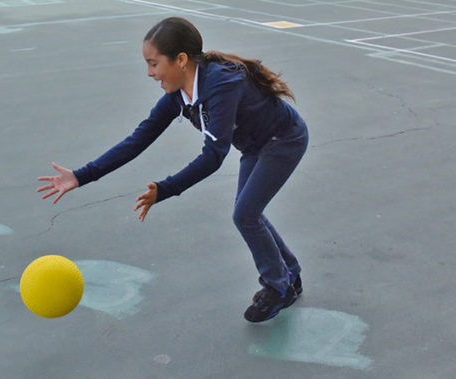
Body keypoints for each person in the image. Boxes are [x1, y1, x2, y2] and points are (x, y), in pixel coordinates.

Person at [37, 17, 309, 322]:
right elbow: (139, 139)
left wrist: (165, 189)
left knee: (244, 214)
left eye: (154, 64)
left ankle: (279, 287)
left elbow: (214, 156)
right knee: (248, 213)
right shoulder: (178, 96)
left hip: (282, 140)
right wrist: (80, 175)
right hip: (254, 146)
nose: (150, 73)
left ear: (180, 60)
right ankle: (290, 276)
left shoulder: (221, 85)